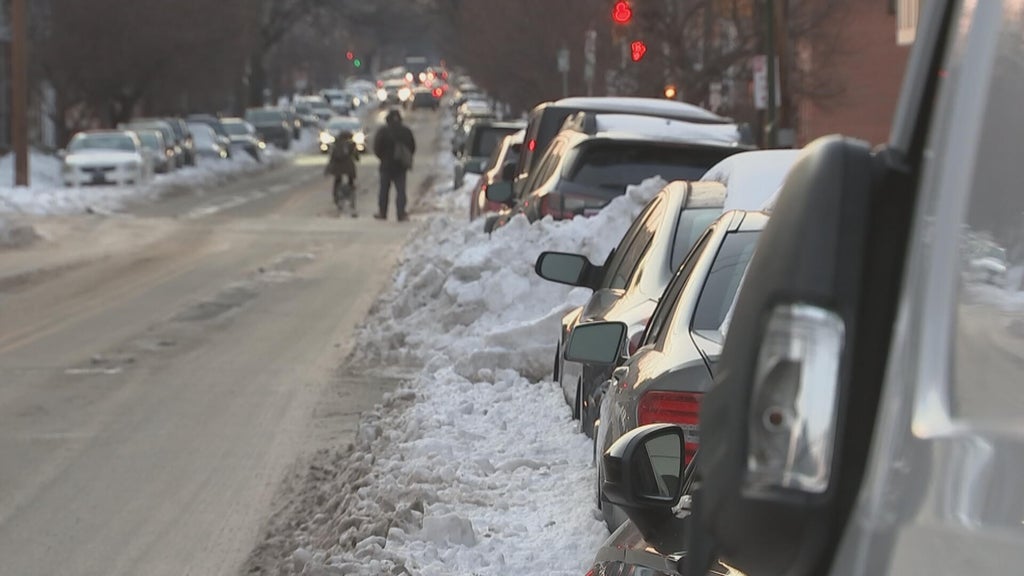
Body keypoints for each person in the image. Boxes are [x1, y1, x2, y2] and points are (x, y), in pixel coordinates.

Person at [373, 110, 416, 221]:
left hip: (386, 165)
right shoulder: (406, 131)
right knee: (401, 191)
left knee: (384, 190)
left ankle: (383, 212)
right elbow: (412, 147)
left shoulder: (383, 132)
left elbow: (377, 148)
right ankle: (401, 213)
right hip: (401, 166)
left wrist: (383, 157)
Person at [325, 130, 359, 217]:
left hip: (338, 167)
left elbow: (332, 157)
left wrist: (328, 168)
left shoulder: (336, 144)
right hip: (349, 167)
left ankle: (336, 197)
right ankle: (351, 197)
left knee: (337, 180)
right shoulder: (351, 144)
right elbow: (356, 157)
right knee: (350, 180)